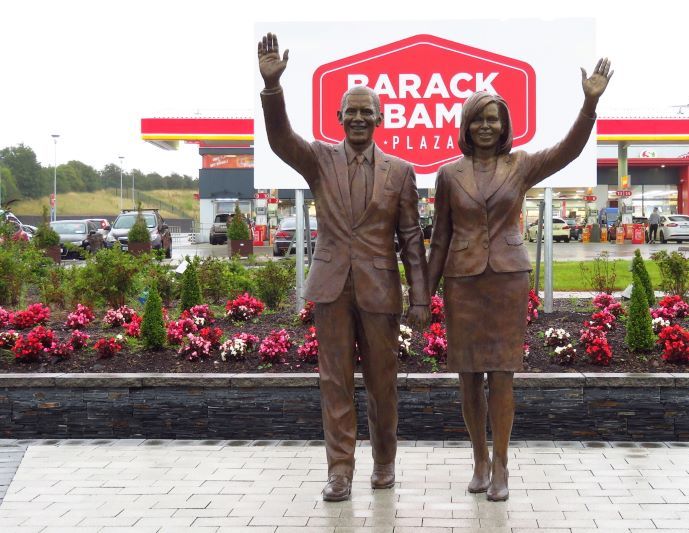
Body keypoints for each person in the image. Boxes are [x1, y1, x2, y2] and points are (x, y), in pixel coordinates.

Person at [428, 59, 612, 501]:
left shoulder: (521, 165)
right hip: (462, 282)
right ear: (466, 125)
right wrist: (422, 293)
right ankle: (479, 460)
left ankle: (502, 465)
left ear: (504, 125)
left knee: (502, 375)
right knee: (468, 377)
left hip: (507, 279)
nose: (485, 126)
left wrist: (588, 105)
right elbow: (440, 237)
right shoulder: (449, 174)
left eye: (493, 119)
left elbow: (568, 150)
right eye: (478, 119)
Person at [257, 33, 430, 502]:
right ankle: (339, 471)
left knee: (382, 384)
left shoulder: (400, 171)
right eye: (350, 111)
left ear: (379, 118)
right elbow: (280, 139)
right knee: (334, 383)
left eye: (365, 111)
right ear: (338, 117)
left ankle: (385, 461)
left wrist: (420, 297)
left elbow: (411, 238)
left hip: (380, 289)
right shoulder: (319, 159)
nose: (357, 117)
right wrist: (272, 88)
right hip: (331, 287)